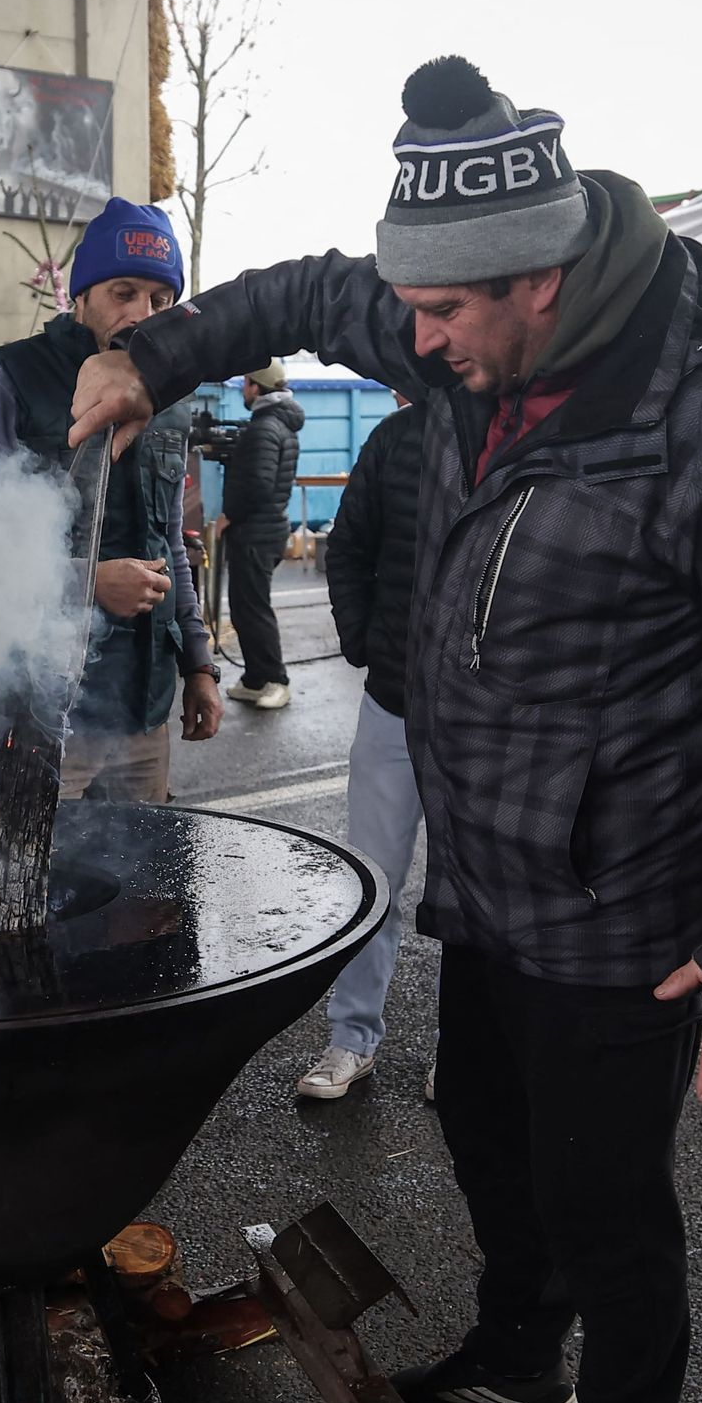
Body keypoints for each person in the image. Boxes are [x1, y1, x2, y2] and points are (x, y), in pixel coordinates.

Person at [70, 58, 702, 1403]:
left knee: (605, 1204)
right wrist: (148, 359)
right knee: (487, 1134)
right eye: (413, 311)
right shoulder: (460, 329)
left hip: (622, 907)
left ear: (544, 284)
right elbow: (303, 293)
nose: (419, 343)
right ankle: (519, 1352)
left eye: (445, 314)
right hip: (493, 876)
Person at [0, 198, 224, 800]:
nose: (143, 315)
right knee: (28, 884)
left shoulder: (167, 396)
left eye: (160, 299)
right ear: (82, 294)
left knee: (143, 881)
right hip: (37, 709)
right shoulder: (3, 383)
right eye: (123, 292)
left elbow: (170, 543)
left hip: (142, 709)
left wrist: (199, 664)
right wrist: (88, 582)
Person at [298, 391, 428, 1099]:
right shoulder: (397, 438)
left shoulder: (528, 428)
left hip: (493, 718)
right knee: (373, 882)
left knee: (480, 895)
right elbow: (347, 547)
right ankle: (352, 1039)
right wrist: (364, 642)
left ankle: (468, 1049)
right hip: (394, 700)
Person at [217, 360, 303, 710]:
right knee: (245, 607)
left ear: (256, 386)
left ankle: (275, 680)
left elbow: (256, 485)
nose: (243, 389)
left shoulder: (264, 427)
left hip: (256, 531)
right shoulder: (278, 424)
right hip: (265, 528)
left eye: (246, 383)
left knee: (253, 609)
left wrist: (228, 515)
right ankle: (255, 678)